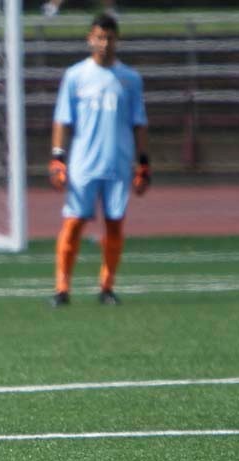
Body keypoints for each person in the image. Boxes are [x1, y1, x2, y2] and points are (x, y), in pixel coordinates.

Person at [48, 13, 149, 307]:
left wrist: (143, 163)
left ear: (117, 40)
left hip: (118, 164)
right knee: (74, 223)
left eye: (110, 38)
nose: (104, 43)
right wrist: (58, 158)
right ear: (90, 39)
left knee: (115, 224)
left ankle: (107, 287)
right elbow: (62, 121)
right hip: (83, 165)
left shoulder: (130, 79)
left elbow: (139, 123)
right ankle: (62, 288)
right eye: (99, 37)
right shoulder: (75, 76)